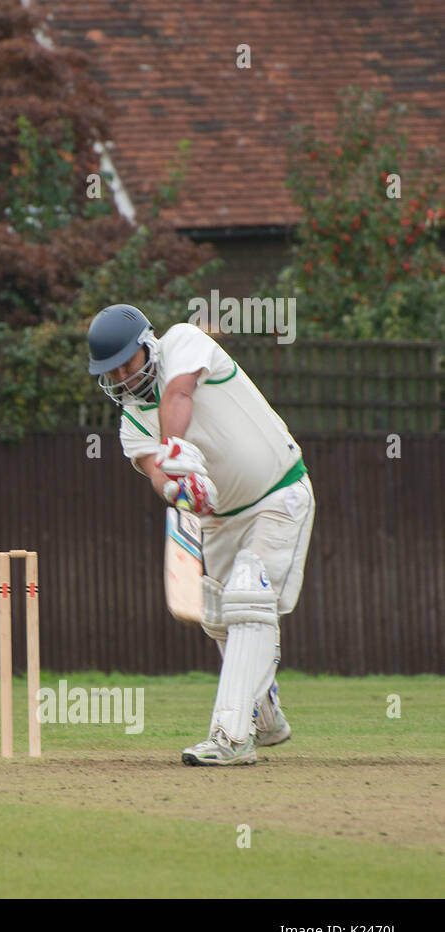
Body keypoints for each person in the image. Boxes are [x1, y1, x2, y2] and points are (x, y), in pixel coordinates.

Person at [86, 305, 315, 766]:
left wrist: (176, 450)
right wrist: (178, 488)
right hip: (219, 521)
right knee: (219, 614)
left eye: (126, 365)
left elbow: (179, 393)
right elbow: (154, 472)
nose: (123, 379)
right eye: (111, 373)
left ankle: (230, 737)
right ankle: (266, 718)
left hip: (278, 493)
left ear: (146, 347)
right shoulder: (131, 423)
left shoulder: (182, 341)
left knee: (249, 593)